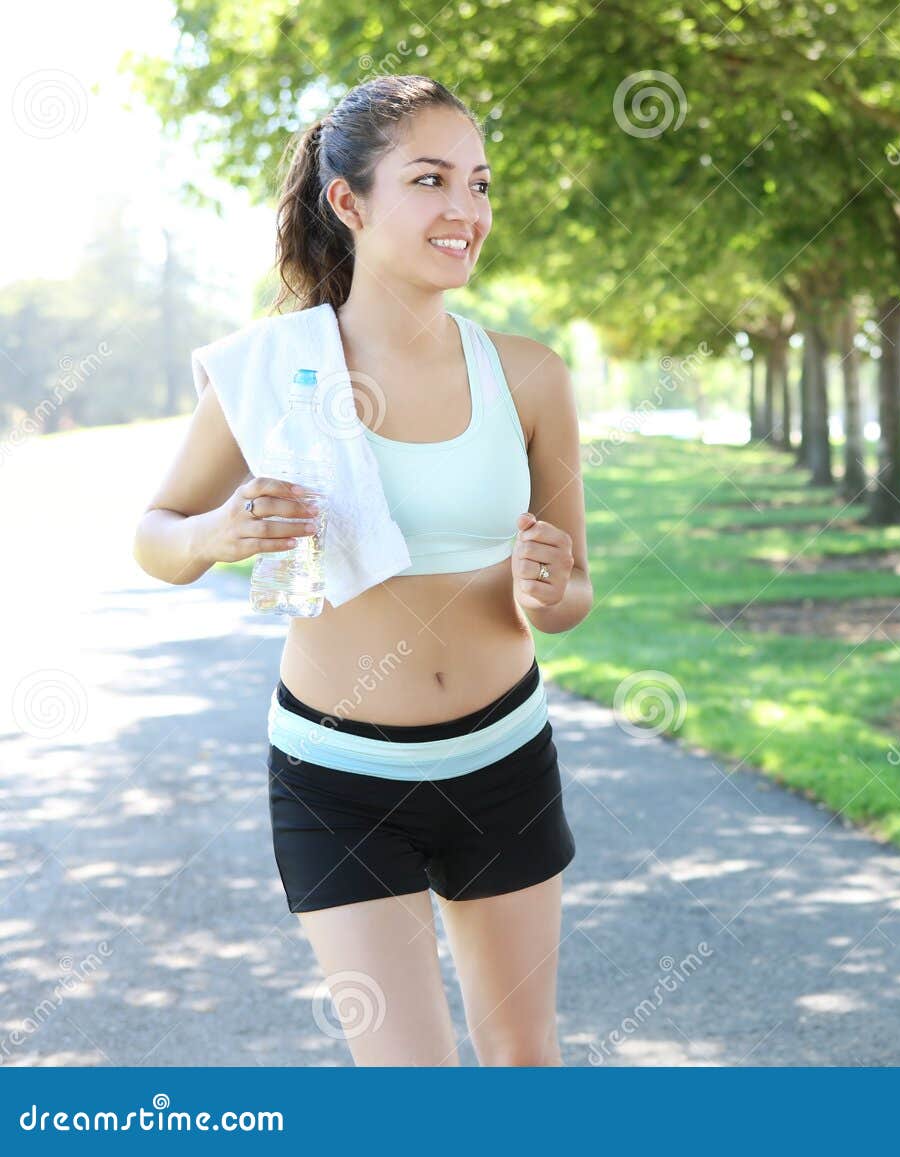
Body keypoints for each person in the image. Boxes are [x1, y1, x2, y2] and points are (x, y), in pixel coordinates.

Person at [132, 75, 590, 1065]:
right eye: (430, 180)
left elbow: (572, 594)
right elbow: (154, 533)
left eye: (479, 182)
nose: (465, 209)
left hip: (501, 759)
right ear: (349, 201)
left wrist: (550, 595)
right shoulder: (274, 370)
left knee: (525, 1060)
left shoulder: (529, 375)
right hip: (336, 777)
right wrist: (214, 532)